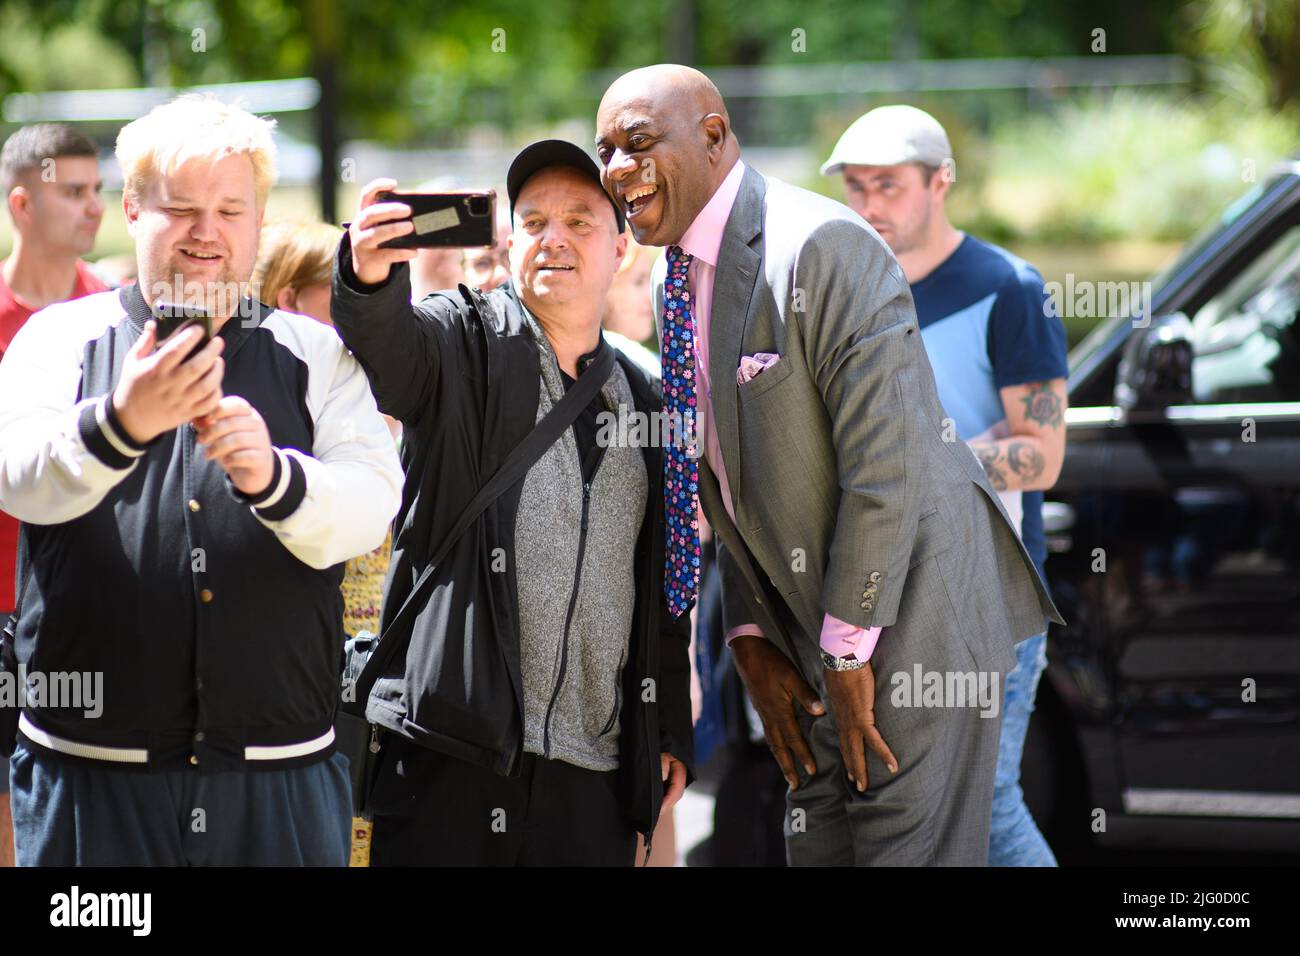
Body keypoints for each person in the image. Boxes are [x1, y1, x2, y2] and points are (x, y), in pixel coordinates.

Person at [596, 65, 1063, 866]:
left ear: (714, 136)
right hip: (802, 643)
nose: (615, 170)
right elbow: (732, 482)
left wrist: (847, 652)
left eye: (639, 143)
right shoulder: (678, 271)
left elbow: (886, 470)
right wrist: (749, 635)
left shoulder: (822, 245)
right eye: (604, 149)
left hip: (914, 632)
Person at [0, 94, 403, 866]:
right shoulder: (61, 337)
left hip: (279, 777)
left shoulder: (316, 353)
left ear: (258, 219)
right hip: (90, 778)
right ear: (133, 209)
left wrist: (277, 479)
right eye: (180, 207)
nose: (205, 231)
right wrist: (118, 422)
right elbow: (16, 476)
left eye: (229, 208)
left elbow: (371, 503)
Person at [331, 139, 694, 866]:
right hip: (452, 756)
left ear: (622, 250)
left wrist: (667, 729)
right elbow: (393, 352)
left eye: (580, 222)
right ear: (511, 242)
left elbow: (659, 584)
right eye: (534, 222)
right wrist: (367, 275)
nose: (553, 238)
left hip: (591, 777)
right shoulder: (464, 340)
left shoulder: (649, 402)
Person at [823, 104, 1069, 866]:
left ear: (942, 182)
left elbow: (1044, 454)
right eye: (856, 188)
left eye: (888, 186)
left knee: (989, 807)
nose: (868, 206)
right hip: (878, 593)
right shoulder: (847, 286)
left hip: (990, 589)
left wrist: (917, 475)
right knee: (907, 809)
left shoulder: (1012, 288)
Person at [0, 122, 109, 868]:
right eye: (72, 191)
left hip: (82, 612)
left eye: (99, 191)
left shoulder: (117, 314)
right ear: (21, 204)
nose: (93, 207)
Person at [252, 218, 400, 642]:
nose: (359, 299)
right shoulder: (274, 400)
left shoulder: (371, 384)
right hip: (311, 650)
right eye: (341, 286)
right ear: (290, 299)